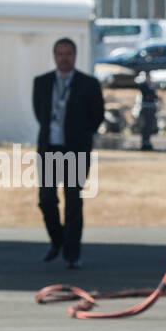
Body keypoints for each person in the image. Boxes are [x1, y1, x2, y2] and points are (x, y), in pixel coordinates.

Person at [32, 38, 105, 269]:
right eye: (60, 54)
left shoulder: (88, 84)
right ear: (54, 56)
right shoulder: (42, 82)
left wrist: (81, 134)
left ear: (75, 56)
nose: (64, 58)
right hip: (50, 149)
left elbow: (97, 115)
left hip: (75, 150)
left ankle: (72, 253)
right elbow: (39, 112)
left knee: (73, 200)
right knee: (46, 199)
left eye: (68, 54)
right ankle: (57, 240)